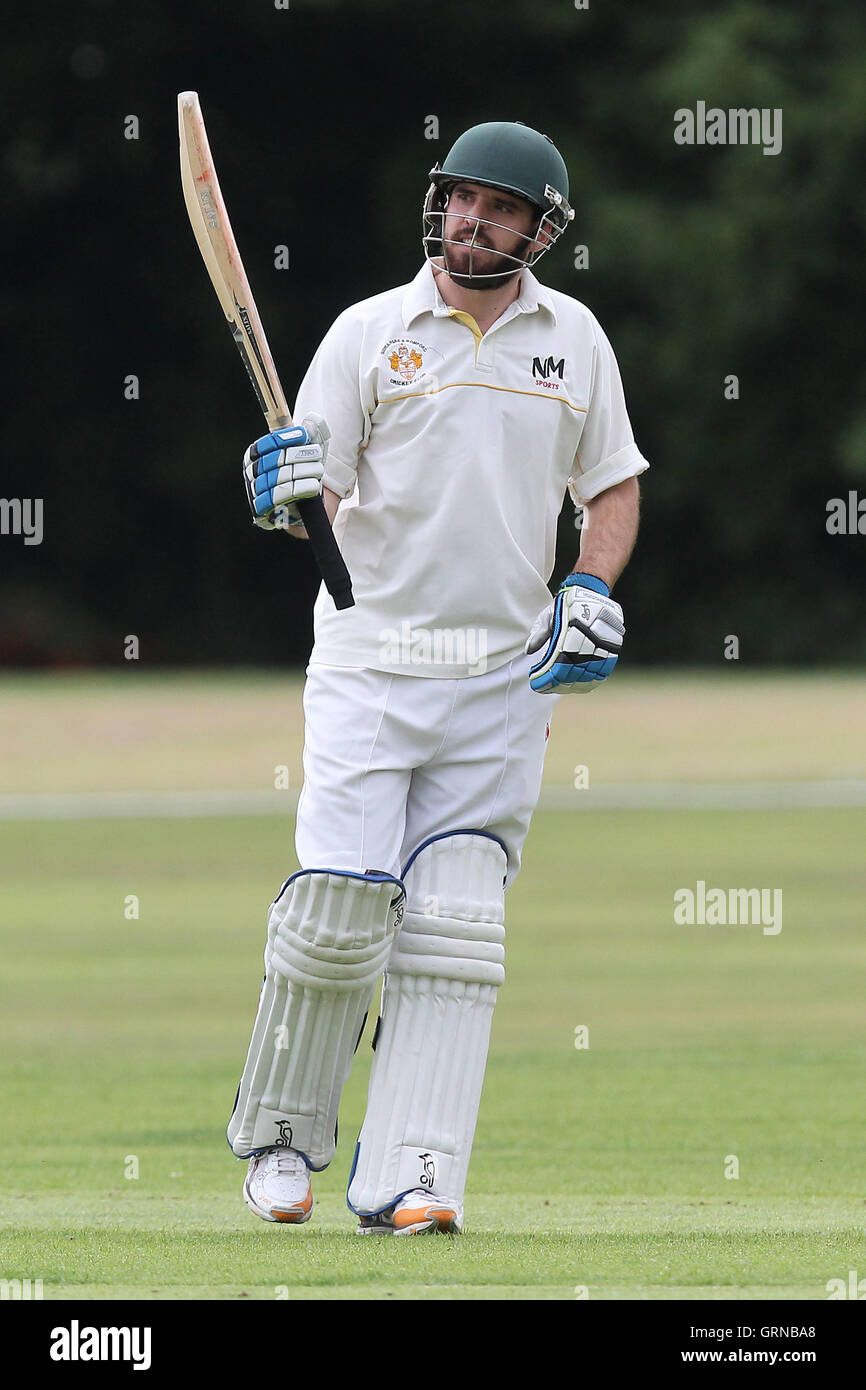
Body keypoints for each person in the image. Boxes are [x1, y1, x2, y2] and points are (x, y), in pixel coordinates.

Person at [229, 121, 649, 1235]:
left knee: (455, 927)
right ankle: (280, 1141)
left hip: (504, 679)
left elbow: (609, 488)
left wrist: (589, 588)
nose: (470, 221)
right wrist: (276, 483)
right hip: (373, 658)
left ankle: (410, 1173)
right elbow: (301, 491)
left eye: (497, 208)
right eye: (459, 200)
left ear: (537, 230)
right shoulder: (369, 333)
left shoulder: (577, 343)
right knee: (336, 910)